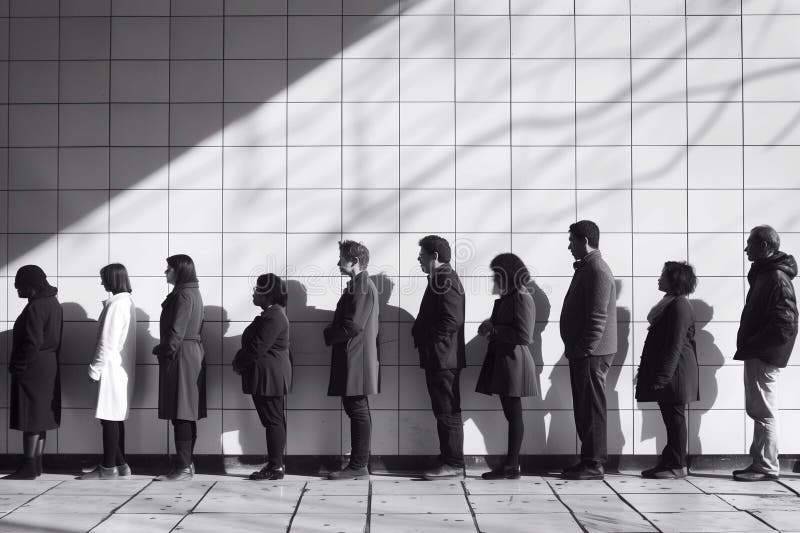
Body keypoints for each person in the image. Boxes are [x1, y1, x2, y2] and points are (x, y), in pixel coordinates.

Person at [733, 225, 798, 481]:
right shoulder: (767, 274)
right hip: (760, 353)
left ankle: (767, 466)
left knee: (764, 413)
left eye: (750, 243)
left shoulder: (775, 277)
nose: (746, 248)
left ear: (764, 246)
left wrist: (756, 346)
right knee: (760, 412)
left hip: (763, 355)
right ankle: (761, 463)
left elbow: (786, 324)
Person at [560, 220, 617, 480]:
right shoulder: (589, 267)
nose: (569, 246)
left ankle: (594, 463)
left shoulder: (597, 270)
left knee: (591, 408)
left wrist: (584, 349)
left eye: (571, 240)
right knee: (585, 407)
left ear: (584, 240)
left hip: (591, 353)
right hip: (585, 352)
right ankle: (588, 459)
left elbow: (597, 317)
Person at [476, 253, 538, 480]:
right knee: (511, 413)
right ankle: (510, 464)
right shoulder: (510, 296)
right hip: (506, 359)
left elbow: (524, 335)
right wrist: (489, 325)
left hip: (514, 361)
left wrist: (494, 330)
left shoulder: (521, 297)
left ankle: (512, 465)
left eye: (497, 274)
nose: (494, 279)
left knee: (514, 414)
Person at [635, 261, 699, 479]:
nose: (658, 278)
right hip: (672, 373)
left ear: (674, 280)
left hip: (676, 374)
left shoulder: (679, 306)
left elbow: (675, 344)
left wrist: (662, 377)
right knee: (671, 420)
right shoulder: (671, 303)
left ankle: (677, 465)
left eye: (662, 275)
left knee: (675, 419)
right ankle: (669, 461)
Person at [324, 241, 380, 480]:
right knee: (356, 408)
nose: (338, 262)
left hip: (356, 356)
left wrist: (329, 334)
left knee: (357, 409)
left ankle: (358, 465)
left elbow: (353, 325)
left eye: (342, 258)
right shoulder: (359, 285)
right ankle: (358, 464)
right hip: (355, 355)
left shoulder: (362, 286)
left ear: (355, 261)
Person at [412, 235, 466, 480]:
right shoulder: (440, 278)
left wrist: (428, 339)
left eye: (421, 255)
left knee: (447, 411)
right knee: (443, 410)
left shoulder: (446, 279)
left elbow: (452, 319)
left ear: (434, 256)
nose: (419, 259)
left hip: (444, 357)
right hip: (441, 356)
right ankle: (448, 458)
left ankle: (453, 462)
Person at [4, 266, 63, 480]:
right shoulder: (53, 303)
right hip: (48, 366)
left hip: (32, 367)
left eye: (20, 286)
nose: (17, 290)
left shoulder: (36, 307)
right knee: (40, 417)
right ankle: (36, 464)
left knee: (30, 417)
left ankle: (28, 466)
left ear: (32, 286)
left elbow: (32, 342)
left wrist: (18, 365)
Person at [232, 273, 291, 481]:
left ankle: (275, 466)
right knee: (274, 420)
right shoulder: (272, 314)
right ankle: (276, 464)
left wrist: (239, 361)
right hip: (268, 375)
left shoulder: (274, 316)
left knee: (273, 421)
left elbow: (258, 347)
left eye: (257, 289)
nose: (253, 293)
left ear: (268, 294)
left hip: (269, 376)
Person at [81, 264, 137, 480]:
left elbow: (107, 341)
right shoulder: (126, 302)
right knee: (114, 417)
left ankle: (108, 468)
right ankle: (121, 465)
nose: (101, 282)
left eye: (103, 278)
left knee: (109, 418)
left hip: (111, 367)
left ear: (112, 279)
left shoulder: (117, 305)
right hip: (119, 367)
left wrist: (94, 369)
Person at [153, 254, 206, 481]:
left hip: (181, 355)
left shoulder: (183, 294)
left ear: (179, 271)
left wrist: (162, 350)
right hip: (189, 353)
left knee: (181, 411)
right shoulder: (192, 292)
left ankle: (183, 466)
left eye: (169, 269)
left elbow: (176, 331)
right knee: (186, 411)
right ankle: (186, 464)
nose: (166, 272)